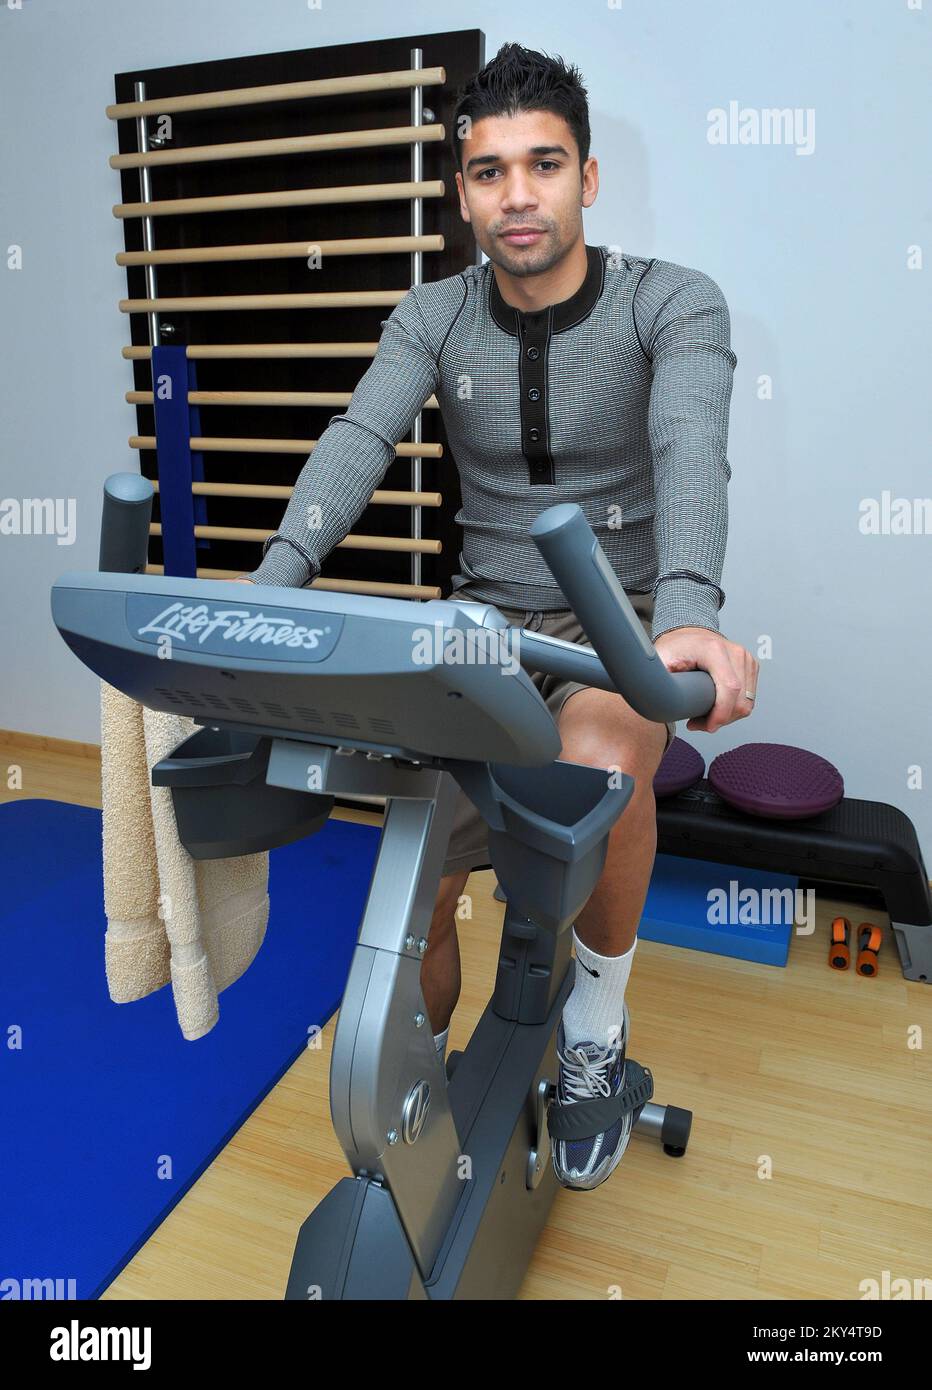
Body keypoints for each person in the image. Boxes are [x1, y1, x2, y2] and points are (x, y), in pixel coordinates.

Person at [230, 43, 758, 1191]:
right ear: (461, 189)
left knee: (596, 770)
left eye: (543, 165)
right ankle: (414, 1082)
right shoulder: (432, 313)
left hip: (616, 621)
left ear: (588, 178)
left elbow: (688, 449)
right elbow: (358, 435)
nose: (515, 195)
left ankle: (591, 1036)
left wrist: (685, 615)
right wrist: (272, 585)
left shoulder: (671, 301)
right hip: (477, 629)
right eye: (486, 172)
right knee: (412, 869)